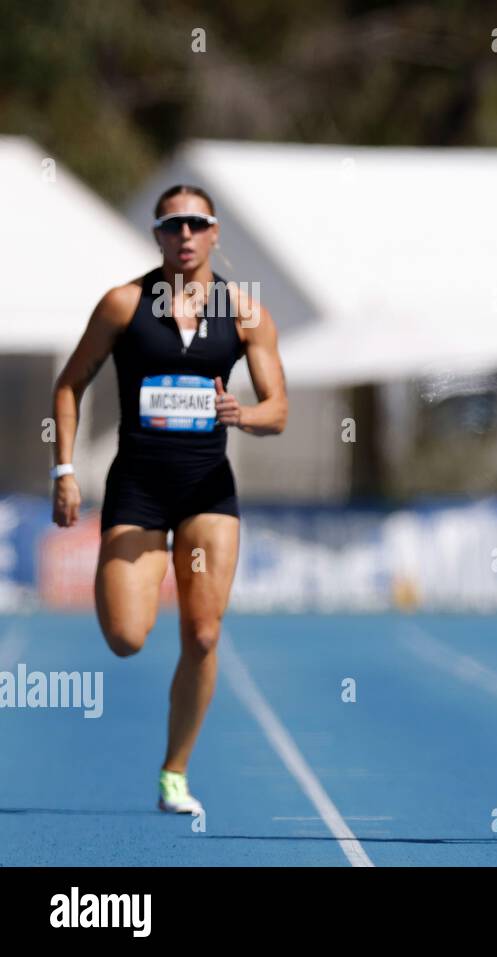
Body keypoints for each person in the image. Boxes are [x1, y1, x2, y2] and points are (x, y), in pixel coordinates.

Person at [51, 185, 288, 813]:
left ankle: (174, 772)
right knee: (127, 636)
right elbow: (70, 384)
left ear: (214, 234)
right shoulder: (124, 304)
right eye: (172, 224)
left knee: (204, 635)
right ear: (157, 234)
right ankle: (142, 586)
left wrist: (244, 414)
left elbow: (279, 411)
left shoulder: (245, 313)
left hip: (208, 489)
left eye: (197, 224)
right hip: (138, 490)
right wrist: (66, 470)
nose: (184, 235)